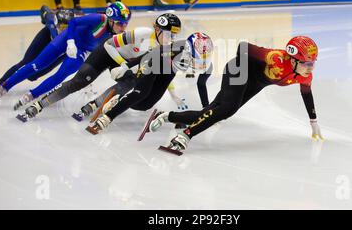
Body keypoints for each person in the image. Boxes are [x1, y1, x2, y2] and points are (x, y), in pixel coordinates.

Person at [147, 36, 323, 154]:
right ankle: (185, 135)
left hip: (255, 83)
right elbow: (243, 47)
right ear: (293, 59)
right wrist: (243, 69)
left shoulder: (305, 75)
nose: (311, 67)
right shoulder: (275, 57)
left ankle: (167, 116)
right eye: (307, 63)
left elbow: (307, 94)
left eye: (313, 63)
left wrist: (313, 123)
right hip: (239, 70)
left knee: (214, 112)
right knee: (227, 109)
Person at [21, 13, 184, 121]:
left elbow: (159, 72)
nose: (171, 38)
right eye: (169, 34)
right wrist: (123, 64)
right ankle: (41, 104)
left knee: (132, 81)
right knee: (79, 82)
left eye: (174, 35)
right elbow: (109, 44)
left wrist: (173, 93)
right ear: (157, 30)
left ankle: (95, 103)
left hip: (124, 62)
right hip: (107, 52)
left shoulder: (165, 48)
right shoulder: (142, 33)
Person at [0, 2, 130, 109]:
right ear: (110, 20)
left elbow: (110, 53)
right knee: (36, 65)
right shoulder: (99, 19)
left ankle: (32, 95)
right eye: (120, 24)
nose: (123, 28)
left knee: (60, 76)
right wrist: (71, 41)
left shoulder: (118, 35)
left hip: (82, 51)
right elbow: (73, 22)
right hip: (67, 39)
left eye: (125, 24)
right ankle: (4, 87)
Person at [85, 32, 214, 135]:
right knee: (141, 93)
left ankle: (117, 101)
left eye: (203, 60)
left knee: (145, 105)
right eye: (195, 59)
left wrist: (206, 109)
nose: (199, 64)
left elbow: (201, 84)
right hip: (155, 62)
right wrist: (126, 67)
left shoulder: (207, 66)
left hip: (169, 71)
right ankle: (107, 117)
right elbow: (150, 54)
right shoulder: (174, 49)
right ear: (186, 51)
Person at [0, 6, 74, 98]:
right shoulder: (51, 19)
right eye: (62, 26)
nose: (64, 30)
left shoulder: (76, 33)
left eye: (67, 27)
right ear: (56, 22)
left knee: (32, 77)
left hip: (62, 48)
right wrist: (43, 20)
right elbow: (44, 8)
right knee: (26, 62)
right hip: (46, 36)